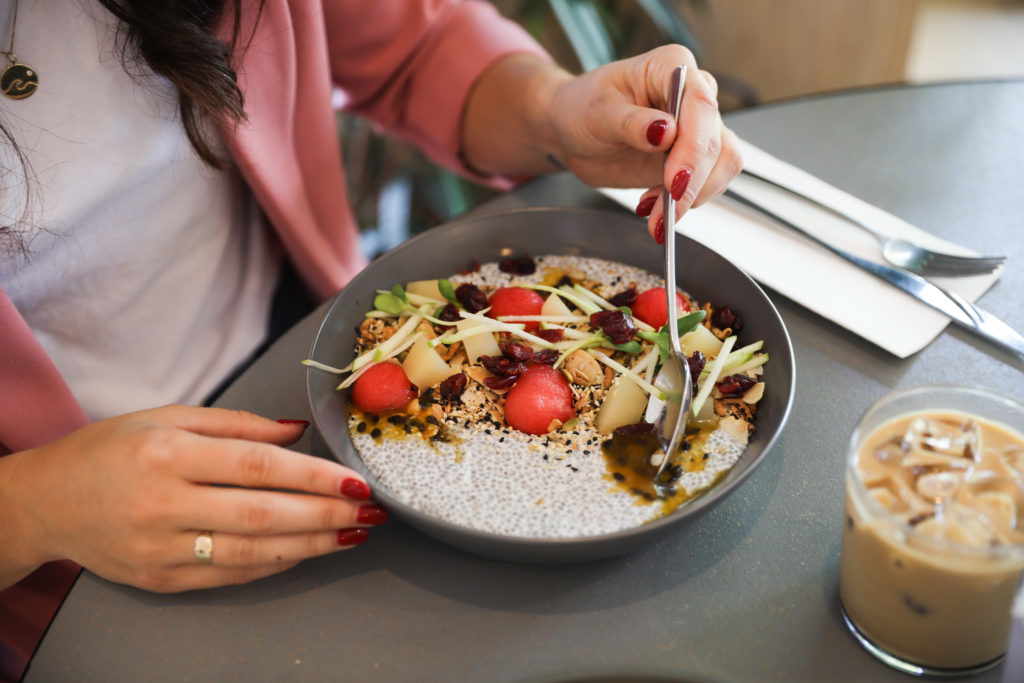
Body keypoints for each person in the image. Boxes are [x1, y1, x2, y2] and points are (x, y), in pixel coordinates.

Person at [0, 0, 740, 677]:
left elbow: (413, 47)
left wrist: (554, 109)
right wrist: (36, 508)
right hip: (67, 557)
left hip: (300, 362)